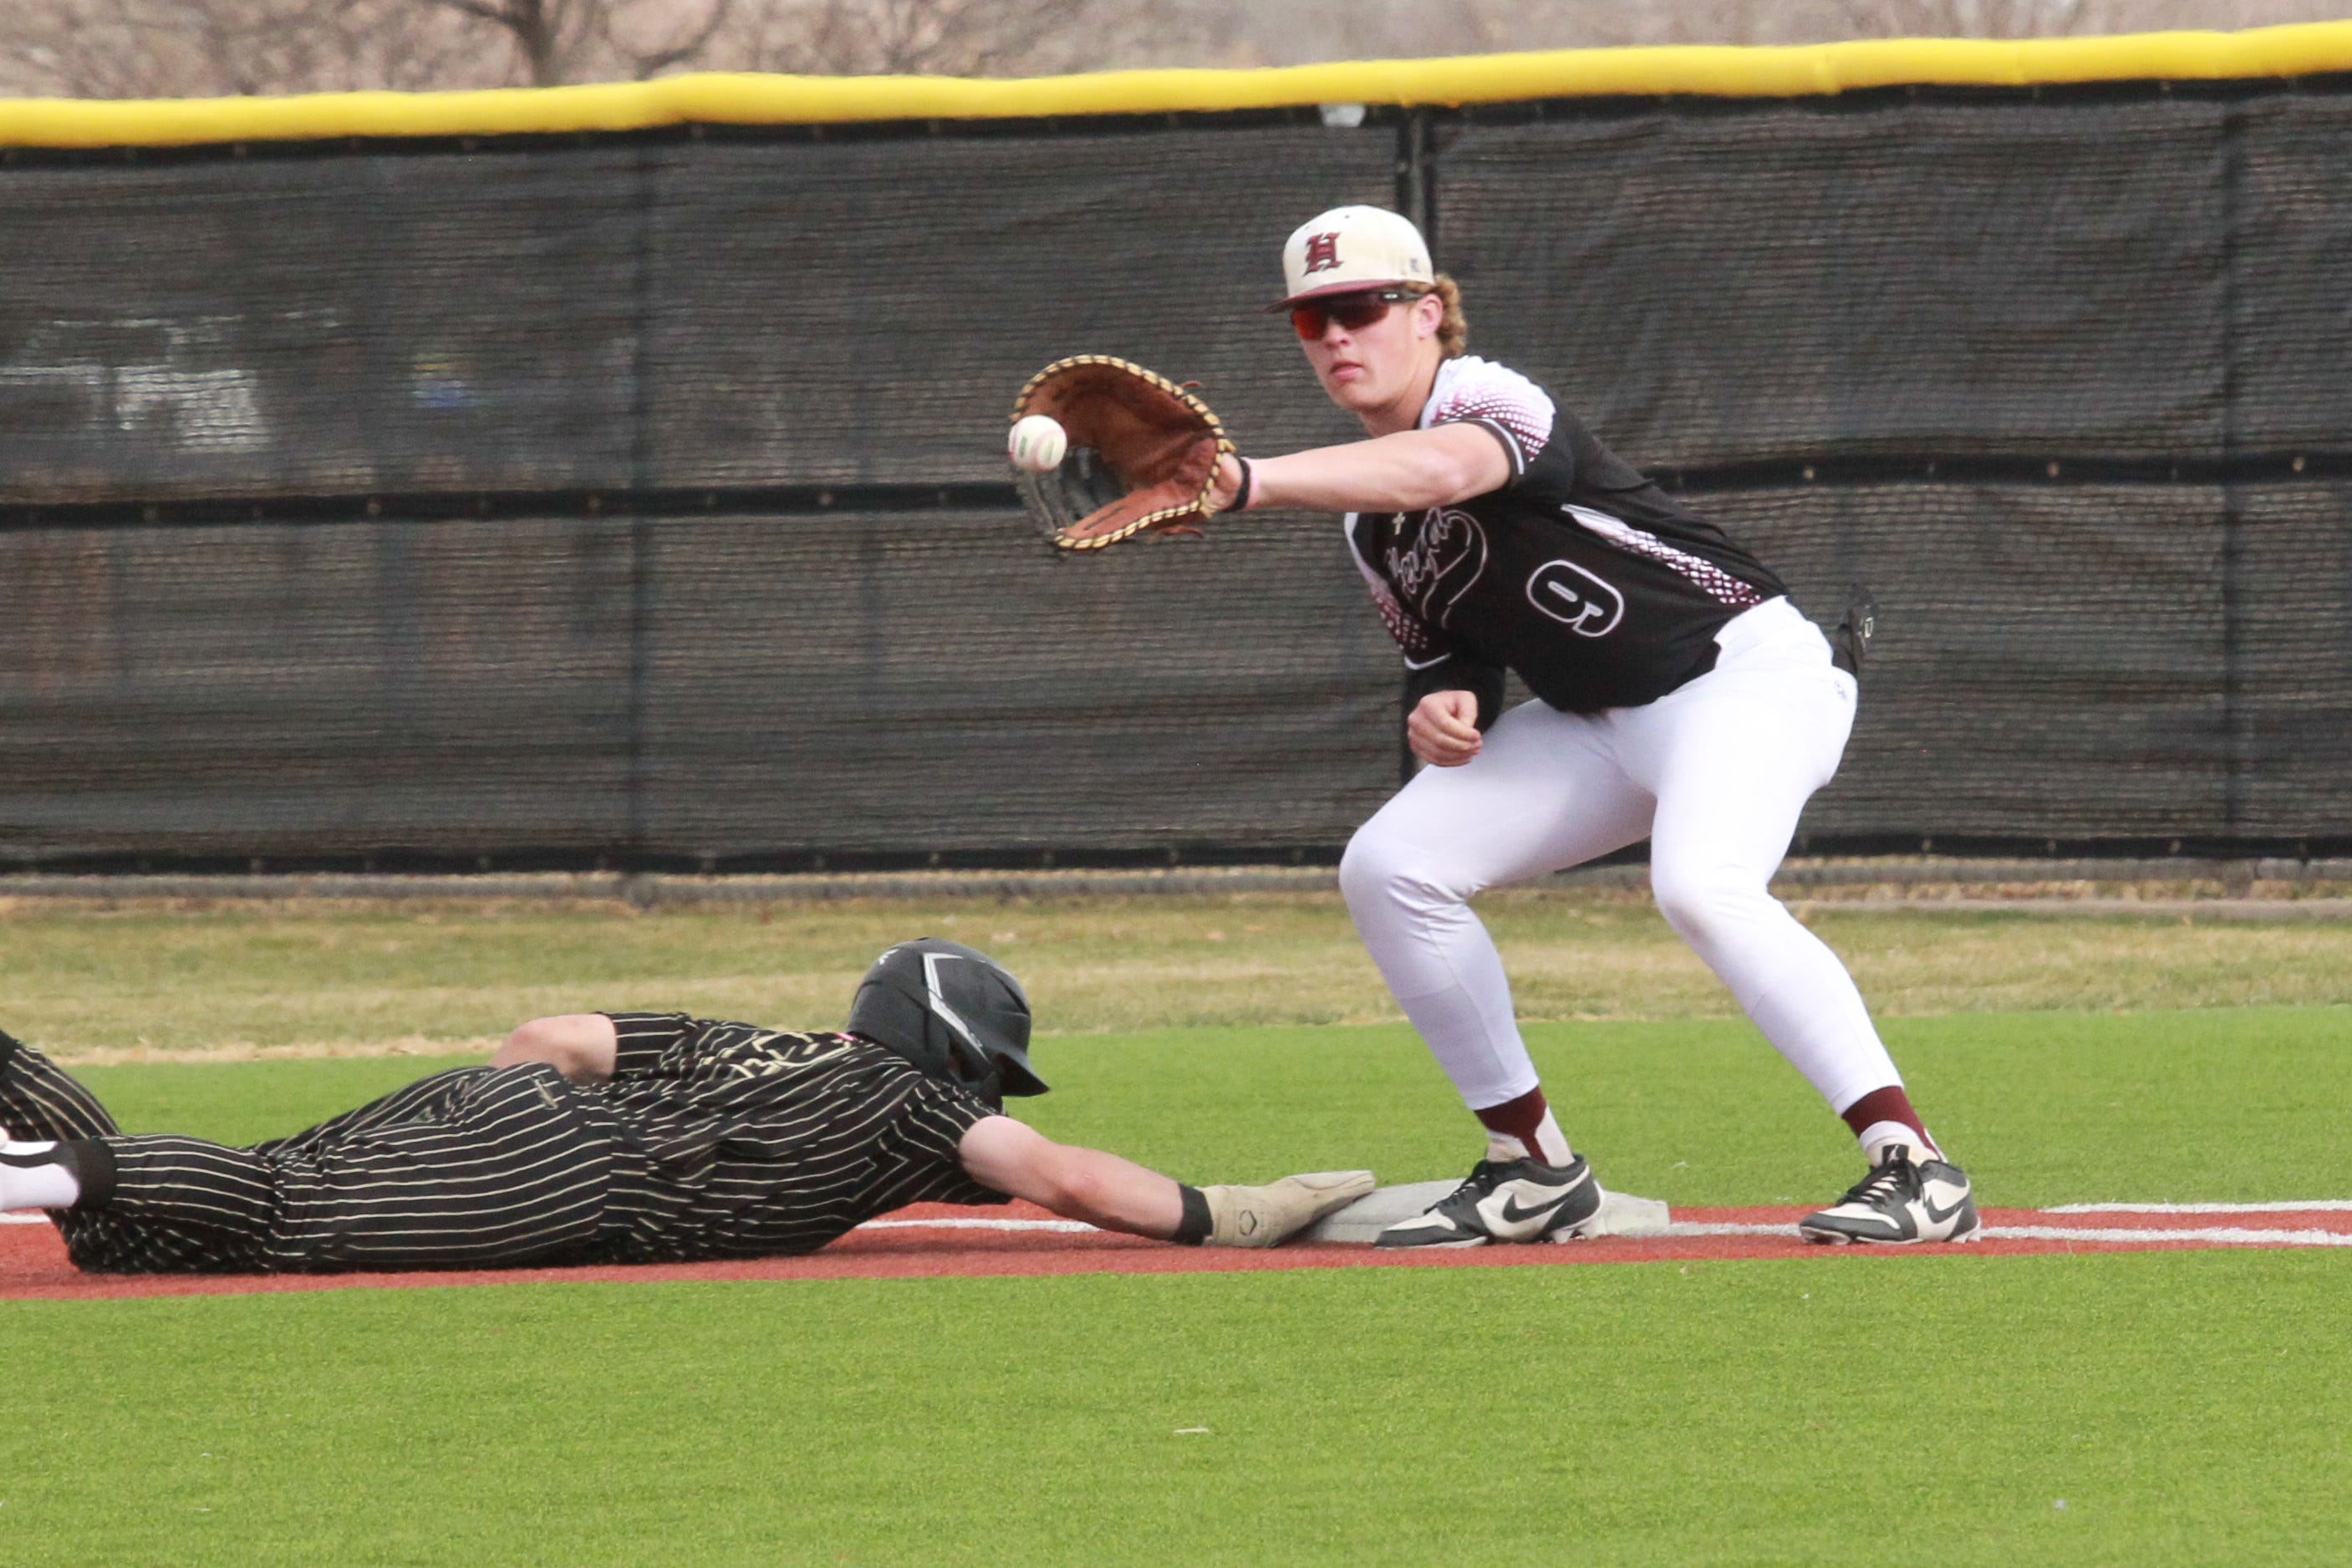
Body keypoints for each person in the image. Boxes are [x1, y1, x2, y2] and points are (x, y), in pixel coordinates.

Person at [1205, 205, 1977, 1249]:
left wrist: (1248, 481)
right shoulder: (1365, 524)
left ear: (1429, 312)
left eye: (1359, 307)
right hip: (1601, 723)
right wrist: (1447, 706)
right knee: (1389, 866)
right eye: (1311, 321)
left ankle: (1915, 1166)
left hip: (1745, 674)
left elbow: (1443, 470)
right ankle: (1533, 1167)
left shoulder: (1491, 396)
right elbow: (1447, 656)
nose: (1336, 335)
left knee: (1702, 886)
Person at [0, 938, 1371, 1273]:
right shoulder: (909, 1106)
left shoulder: (741, 1041)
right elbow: (1064, 1177)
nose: (983, 1098)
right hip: (572, 1183)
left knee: (160, 1221)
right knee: (282, 1215)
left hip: (503, 1111)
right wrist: (1218, 1211)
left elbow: (545, 1036)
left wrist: (494, 1120)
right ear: (946, 1045)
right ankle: (29, 1172)